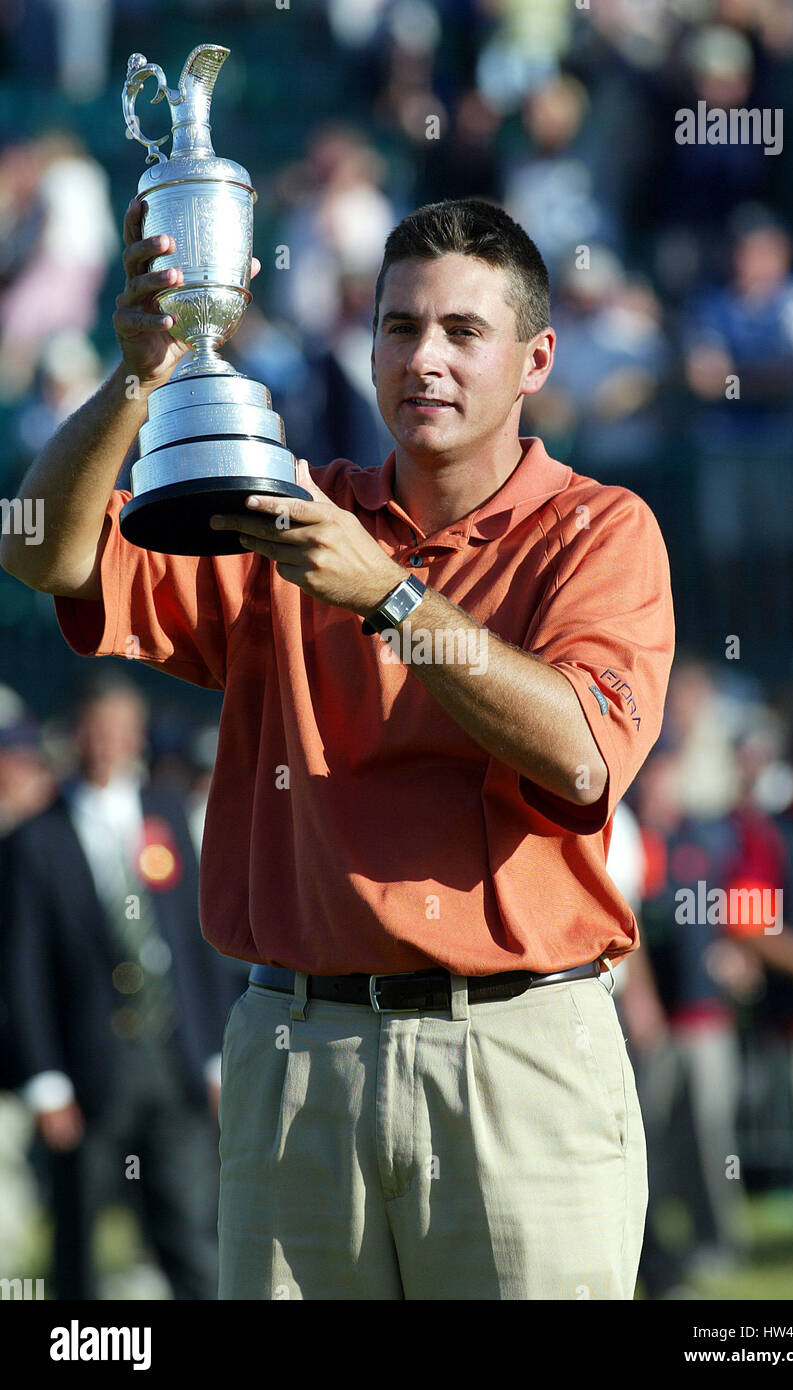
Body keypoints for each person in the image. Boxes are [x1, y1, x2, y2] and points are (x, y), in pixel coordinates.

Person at [1, 196, 676, 1301]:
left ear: (535, 359)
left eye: (464, 331)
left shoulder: (600, 529)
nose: (426, 358)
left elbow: (583, 752)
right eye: (400, 327)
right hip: (296, 1048)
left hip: (517, 1050)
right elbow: (41, 551)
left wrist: (389, 595)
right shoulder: (290, 506)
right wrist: (135, 378)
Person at [1, 675, 240, 1298]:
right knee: (79, 1237)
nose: (109, 744)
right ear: (74, 732)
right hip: (88, 1069)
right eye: (96, 729)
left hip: (175, 1063)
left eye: (121, 730)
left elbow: (199, 942)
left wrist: (215, 1056)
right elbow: (23, 969)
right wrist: (46, 1081)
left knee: (190, 1228)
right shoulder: (36, 839)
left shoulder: (165, 814)